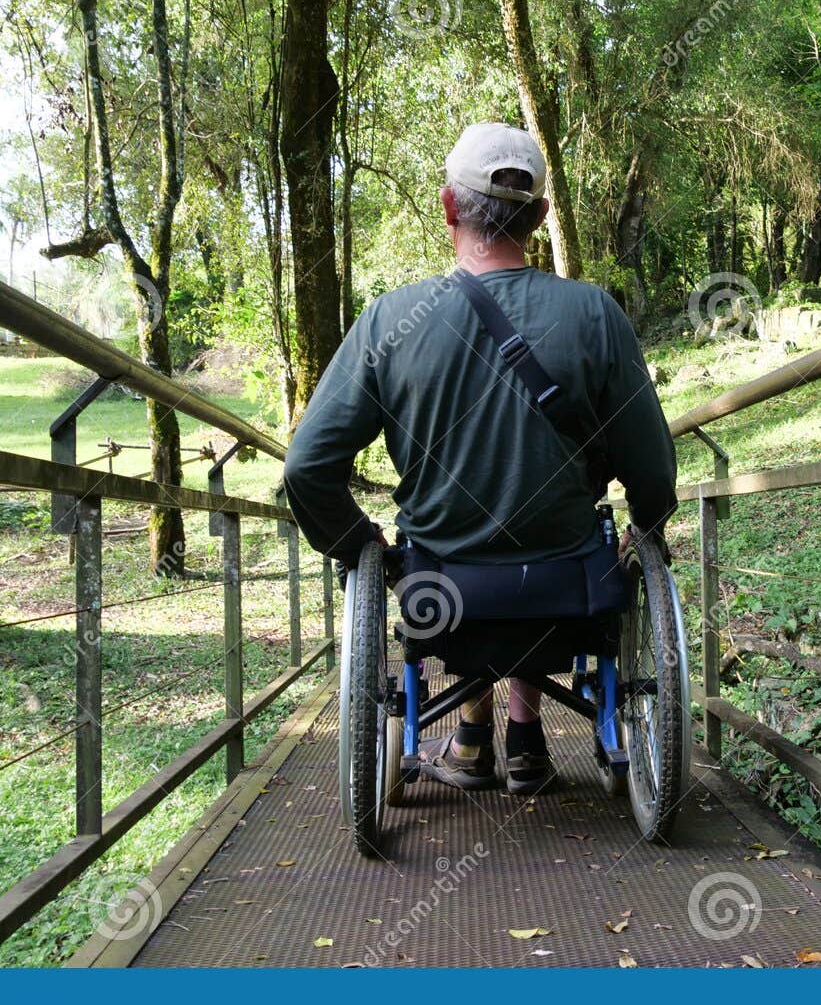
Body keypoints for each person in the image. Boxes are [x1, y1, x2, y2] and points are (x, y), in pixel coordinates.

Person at [282, 122, 677, 796]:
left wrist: (360, 544)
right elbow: (651, 466)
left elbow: (306, 469)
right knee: (544, 505)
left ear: (447, 207)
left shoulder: (389, 320)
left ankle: (471, 738)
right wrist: (647, 525)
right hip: (570, 590)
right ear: (541, 216)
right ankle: (524, 741)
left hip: (442, 597)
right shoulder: (594, 314)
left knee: (470, 519)